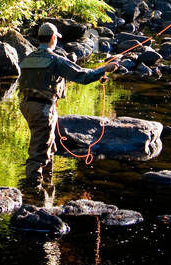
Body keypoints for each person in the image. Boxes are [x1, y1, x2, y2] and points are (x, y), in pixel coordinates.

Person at [18, 22, 119, 186]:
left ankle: (47, 185)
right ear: (52, 38)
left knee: (49, 145)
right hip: (43, 110)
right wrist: (104, 69)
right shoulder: (55, 60)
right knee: (39, 151)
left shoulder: (27, 59)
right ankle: (33, 191)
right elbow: (82, 76)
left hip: (27, 106)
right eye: (56, 38)